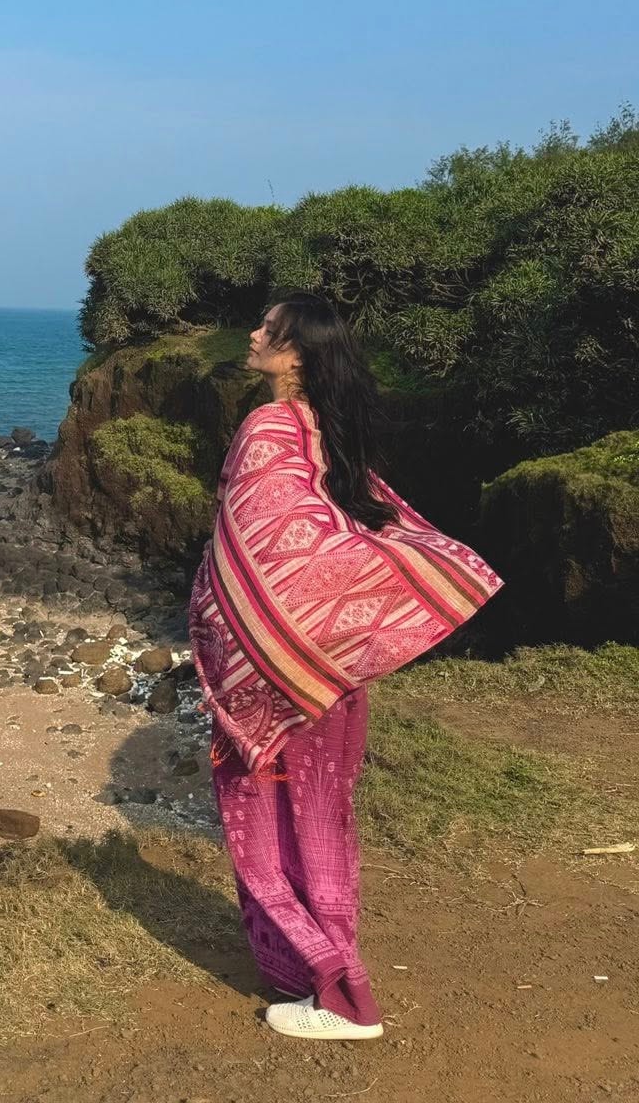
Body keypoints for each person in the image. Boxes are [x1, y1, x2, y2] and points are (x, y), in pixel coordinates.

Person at [188, 292, 504, 1042]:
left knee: (270, 821)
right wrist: (335, 631)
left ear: (297, 352)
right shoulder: (325, 430)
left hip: (277, 683)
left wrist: (255, 635)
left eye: (269, 329)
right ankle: (310, 973)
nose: (253, 334)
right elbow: (340, 533)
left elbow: (258, 542)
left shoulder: (269, 427)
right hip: (327, 675)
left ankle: (343, 999)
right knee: (321, 824)